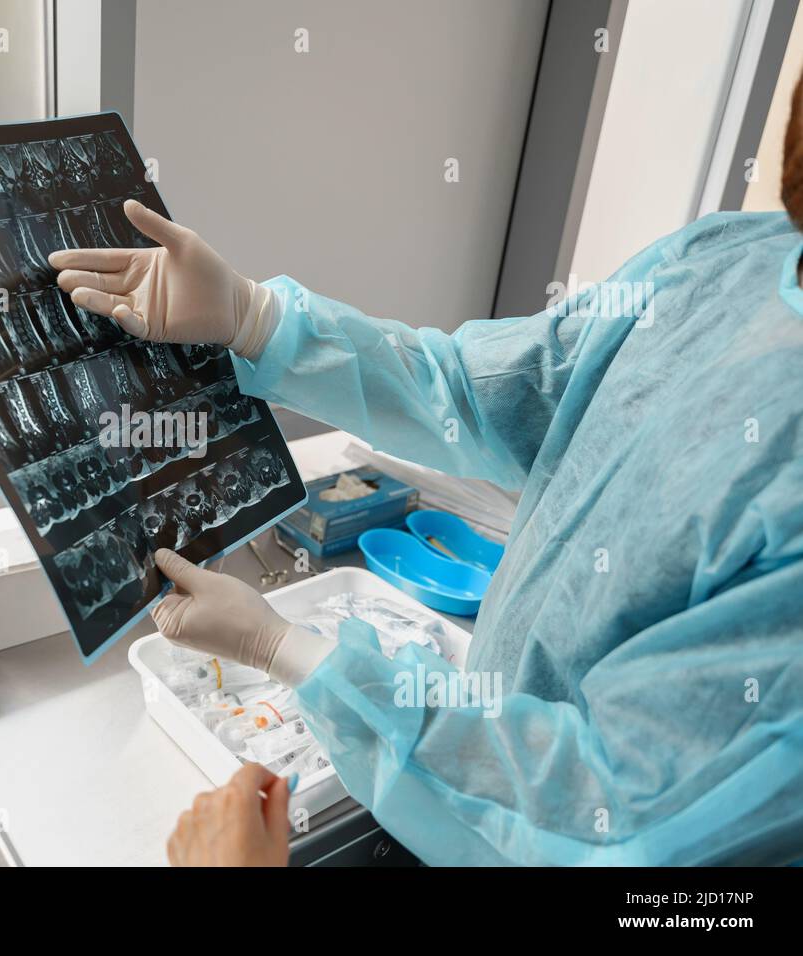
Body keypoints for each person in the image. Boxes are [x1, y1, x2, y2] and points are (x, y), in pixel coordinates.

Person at [48, 99, 803, 869]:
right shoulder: (728, 263)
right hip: (469, 757)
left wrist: (299, 656)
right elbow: (486, 394)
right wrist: (257, 320)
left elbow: (610, 824)